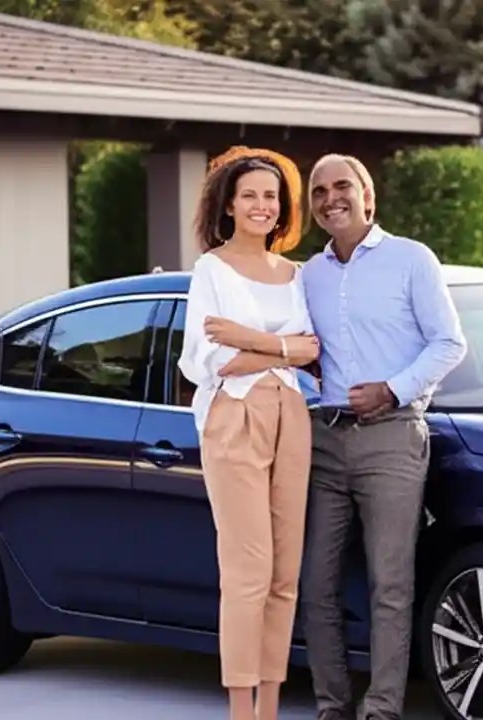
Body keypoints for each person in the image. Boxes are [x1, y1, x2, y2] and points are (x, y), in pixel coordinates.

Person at [299, 154, 468, 720]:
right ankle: (331, 705)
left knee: (389, 585)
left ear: (368, 195)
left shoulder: (411, 260)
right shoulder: (308, 275)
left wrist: (393, 390)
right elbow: (299, 349)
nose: (330, 198)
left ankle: (382, 709)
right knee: (316, 584)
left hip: (392, 438)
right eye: (318, 190)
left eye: (341, 186)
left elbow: (449, 343)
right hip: (324, 437)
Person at [177, 146, 321, 720]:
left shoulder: (299, 275)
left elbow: (313, 352)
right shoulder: (211, 269)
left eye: (271, 196)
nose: (262, 206)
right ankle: (241, 710)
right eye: (250, 196)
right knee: (248, 570)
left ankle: (269, 707)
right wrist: (282, 349)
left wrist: (253, 341)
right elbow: (206, 359)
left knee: (285, 573)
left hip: (293, 416)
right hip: (233, 417)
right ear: (229, 205)